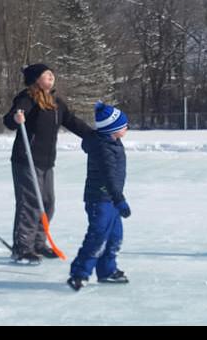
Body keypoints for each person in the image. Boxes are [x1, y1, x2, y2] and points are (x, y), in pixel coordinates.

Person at [3, 64, 93, 265]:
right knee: (30, 203)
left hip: (46, 160)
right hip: (26, 159)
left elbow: (71, 121)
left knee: (47, 203)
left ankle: (38, 242)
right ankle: (22, 247)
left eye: (52, 73)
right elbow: (9, 120)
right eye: (46, 74)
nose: (51, 76)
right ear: (36, 79)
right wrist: (16, 118)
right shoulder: (27, 98)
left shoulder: (56, 101)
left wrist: (93, 135)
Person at [68, 102, 132, 292]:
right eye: (123, 125)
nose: (127, 127)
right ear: (113, 129)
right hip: (101, 200)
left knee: (114, 237)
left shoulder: (112, 142)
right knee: (98, 237)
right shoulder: (103, 149)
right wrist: (119, 199)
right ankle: (79, 274)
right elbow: (109, 177)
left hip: (110, 199)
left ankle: (107, 271)